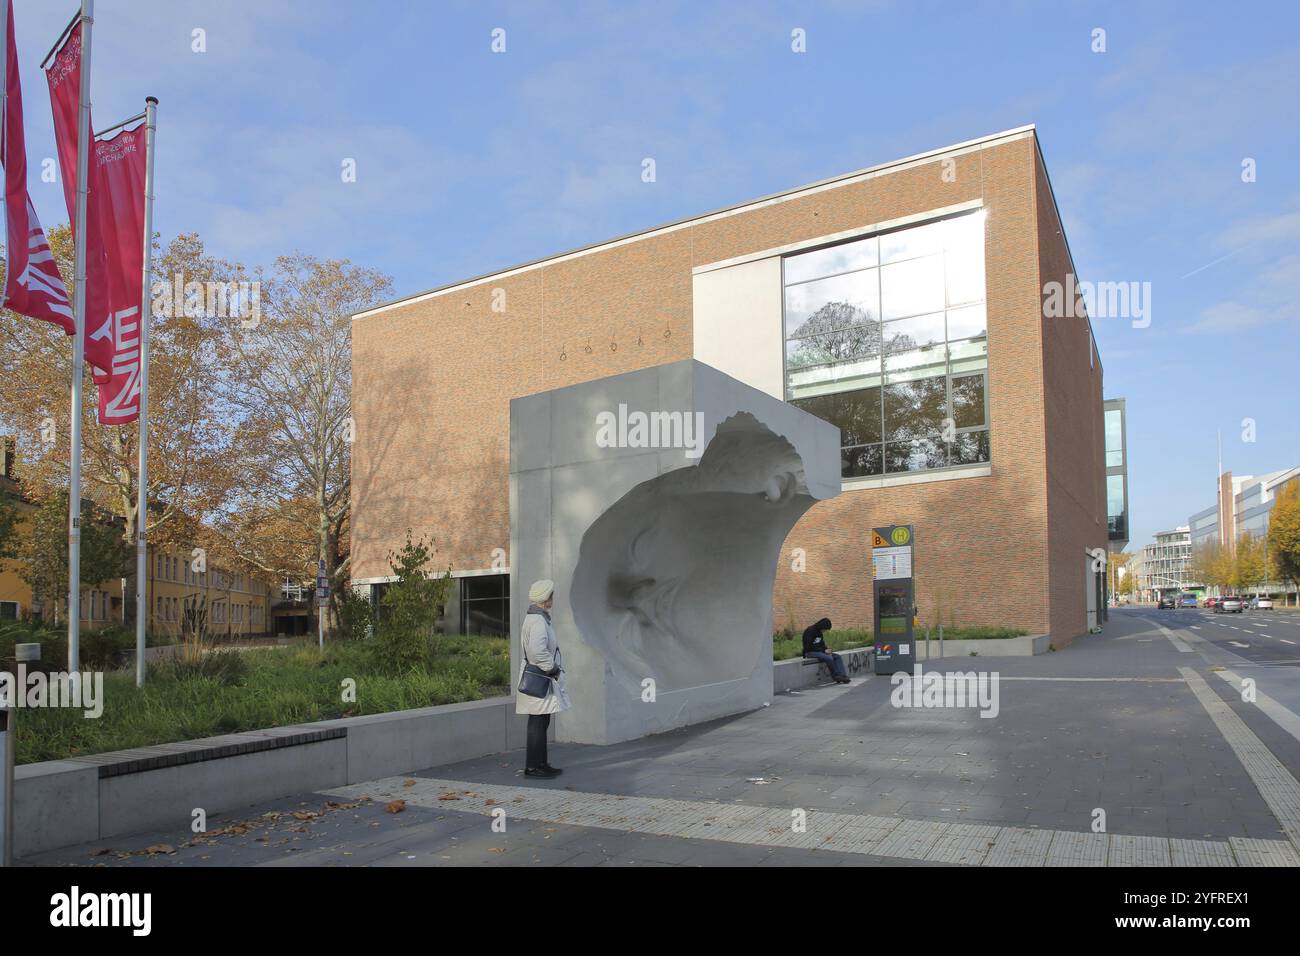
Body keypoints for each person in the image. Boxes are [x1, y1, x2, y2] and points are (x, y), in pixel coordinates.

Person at [517, 579, 570, 778]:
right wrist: (553, 669)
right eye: (552, 595)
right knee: (538, 721)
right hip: (541, 676)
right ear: (545, 598)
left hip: (540, 676)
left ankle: (541, 763)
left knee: (541, 720)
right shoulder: (538, 621)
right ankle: (533, 767)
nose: (553, 599)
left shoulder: (537, 618)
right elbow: (538, 651)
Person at [802, 617, 849, 684]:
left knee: (837, 657)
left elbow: (821, 644)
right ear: (822, 626)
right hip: (810, 652)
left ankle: (843, 675)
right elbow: (808, 647)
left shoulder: (820, 633)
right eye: (825, 629)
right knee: (829, 658)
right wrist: (824, 651)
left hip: (819, 652)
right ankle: (836, 676)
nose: (825, 631)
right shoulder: (809, 631)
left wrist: (826, 649)